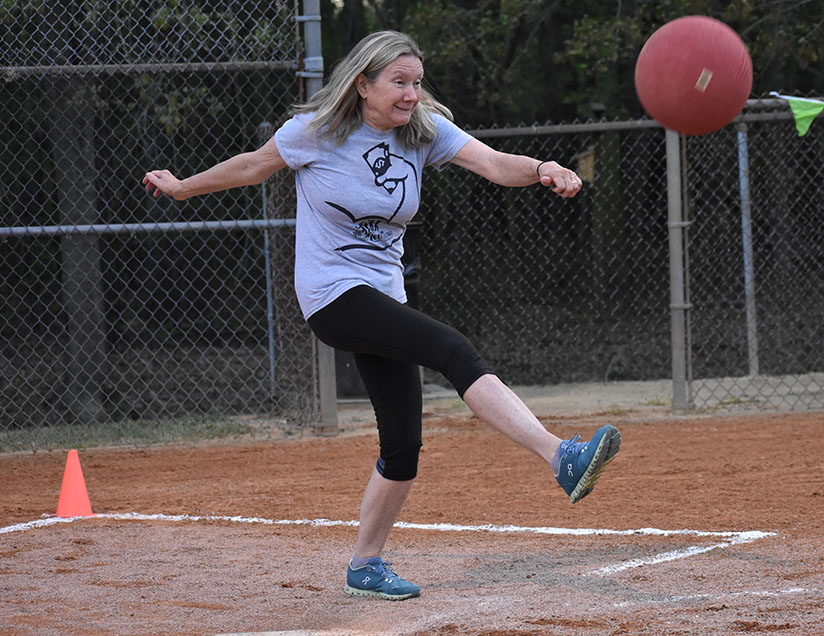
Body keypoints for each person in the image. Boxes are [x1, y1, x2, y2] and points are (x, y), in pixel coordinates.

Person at [142, 30, 621, 601]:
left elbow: (493, 164)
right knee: (452, 350)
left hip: (382, 297)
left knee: (402, 441)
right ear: (362, 84)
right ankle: (560, 456)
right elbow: (250, 168)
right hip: (331, 294)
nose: (411, 94)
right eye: (399, 82)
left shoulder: (423, 133)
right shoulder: (315, 133)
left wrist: (544, 167)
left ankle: (365, 564)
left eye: (417, 82)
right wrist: (180, 189)